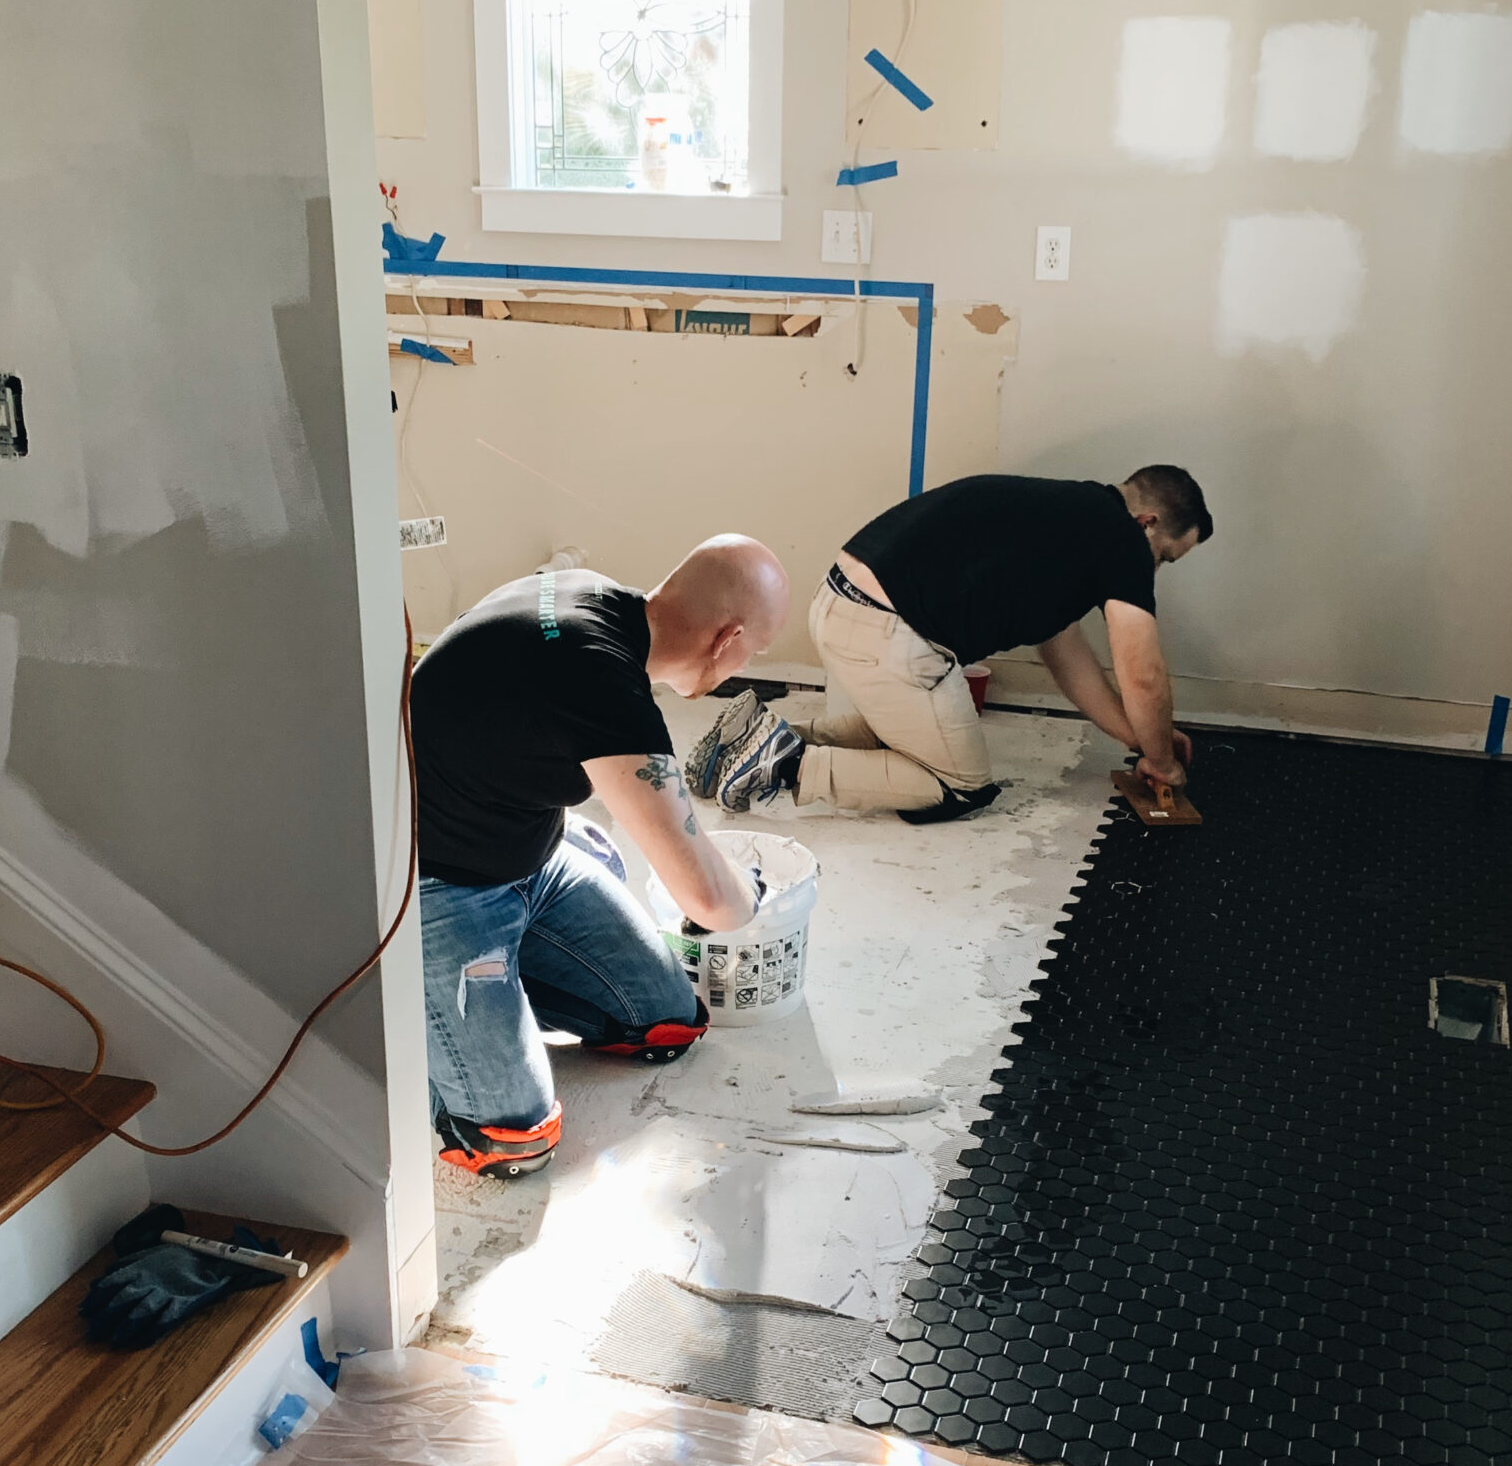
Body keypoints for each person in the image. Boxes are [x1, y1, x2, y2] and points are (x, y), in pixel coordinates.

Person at [413, 536, 791, 1177]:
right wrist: (749, 894)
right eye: (752, 652)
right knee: (511, 1144)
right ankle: (409, 998)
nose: (741, 666)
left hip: (531, 855)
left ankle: (492, 987)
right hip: (436, 887)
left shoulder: (593, 595)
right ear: (727, 639)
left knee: (666, 1025)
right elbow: (712, 902)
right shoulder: (599, 685)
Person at [688, 466, 1211, 821]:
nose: (1153, 570)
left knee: (903, 733)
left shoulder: (1066, 521)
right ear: (1148, 521)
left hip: (843, 603)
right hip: (889, 631)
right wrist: (1164, 765)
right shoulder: (1119, 537)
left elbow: (1069, 658)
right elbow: (1141, 670)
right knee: (962, 786)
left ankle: (762, 733)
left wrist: (1143, 739)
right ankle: (787, 765)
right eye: (1164, 556)